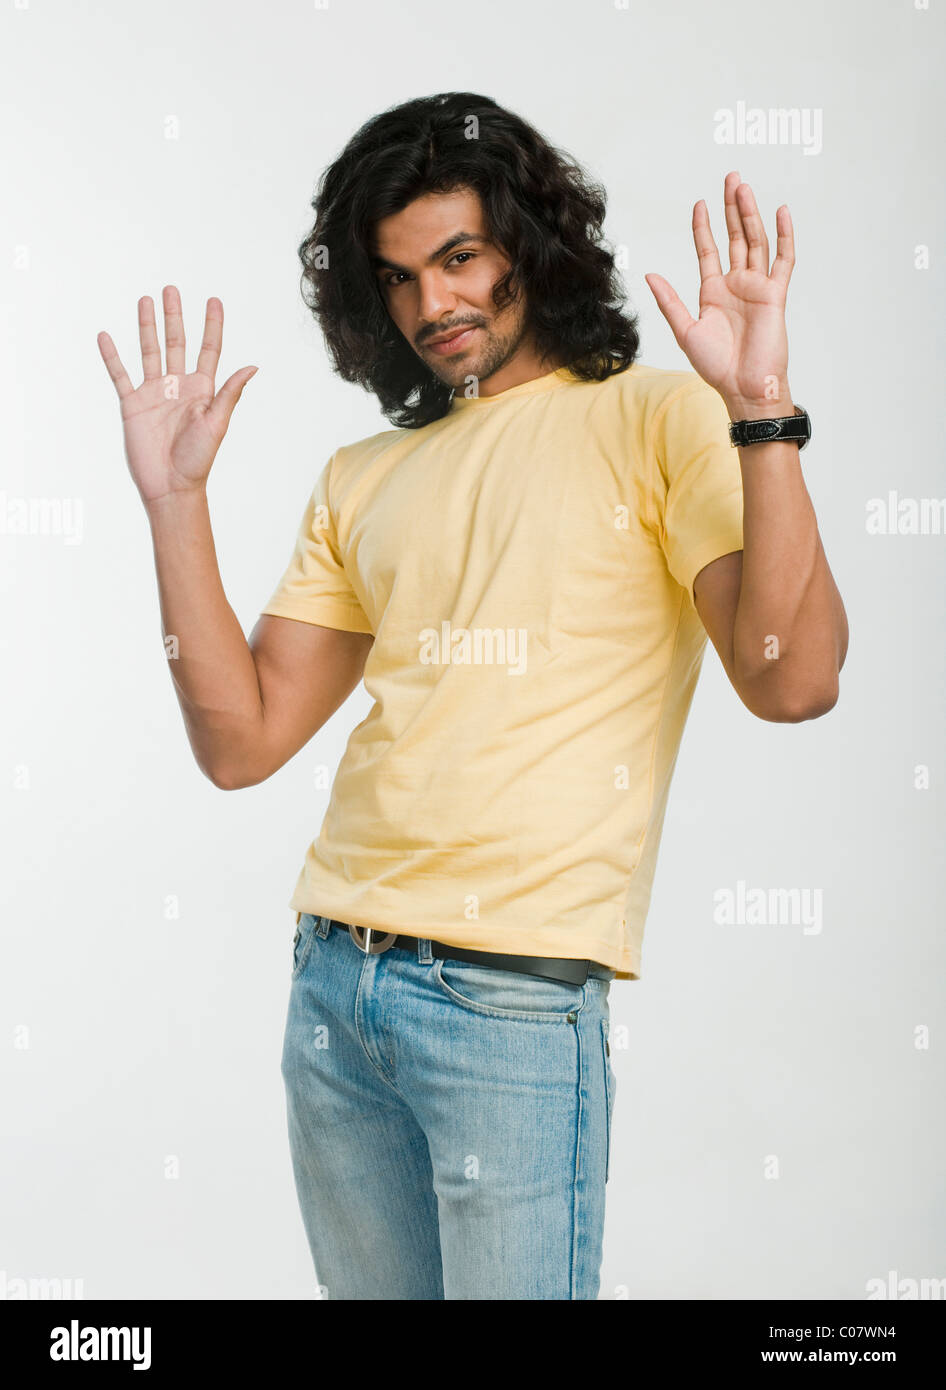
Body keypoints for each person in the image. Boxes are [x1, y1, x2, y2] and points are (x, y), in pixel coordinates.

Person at [97, 92, 848, 1301]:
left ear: (527, 249)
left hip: (508, 998)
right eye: (399, 278)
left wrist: (760, 411)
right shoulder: (365, 475)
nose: (433, 304)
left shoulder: (656, 419)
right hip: (337, 986)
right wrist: (173, 502)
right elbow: (239, 742)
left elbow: (795, 677)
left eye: (460, 258)